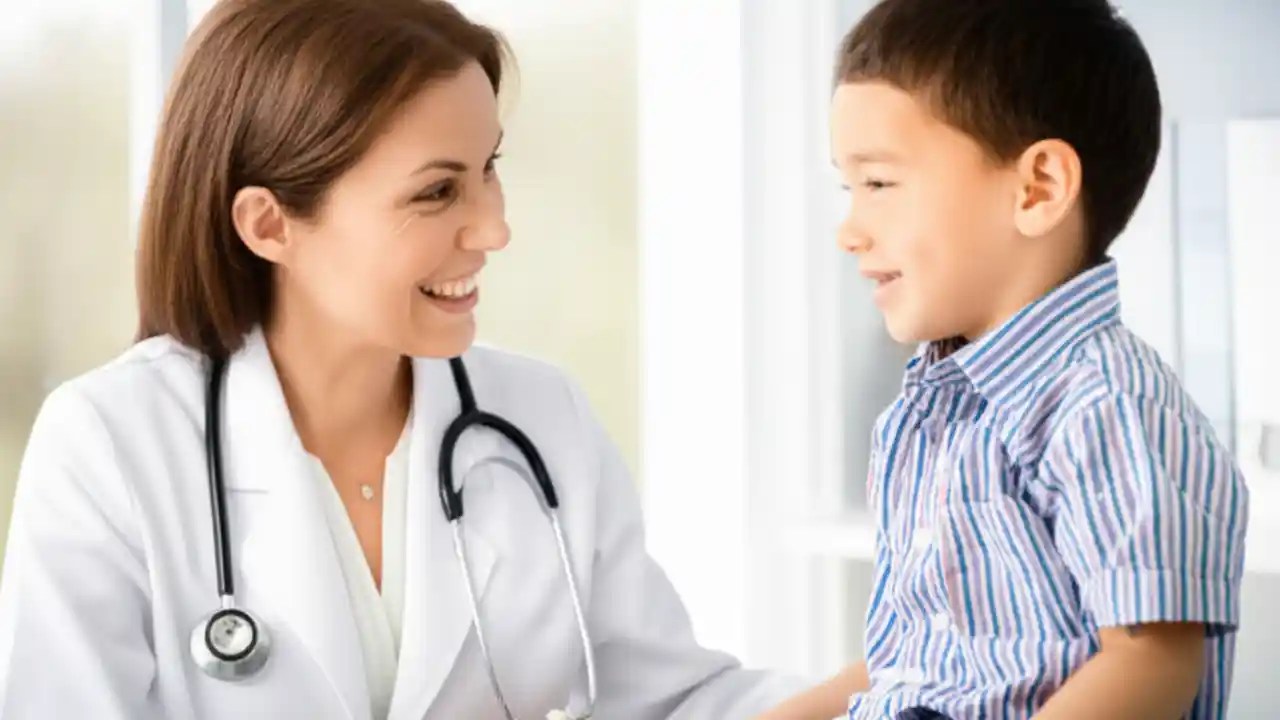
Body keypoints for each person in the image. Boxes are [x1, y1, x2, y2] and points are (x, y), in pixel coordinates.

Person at [0, 1, 837, 718]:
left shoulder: (540, 418)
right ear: (268, 225)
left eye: (489, 170)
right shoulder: (110, 446)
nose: (494, 228)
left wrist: (887, 686)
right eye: (437, 191)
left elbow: (670, 701)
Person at [767, 1, 1250, 718]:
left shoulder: (1108, 404)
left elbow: (1151, 661)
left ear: (1038, 189)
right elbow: (907, 663)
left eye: (877, 184)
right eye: (848, 188)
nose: (850, 230)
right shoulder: (931, 417)